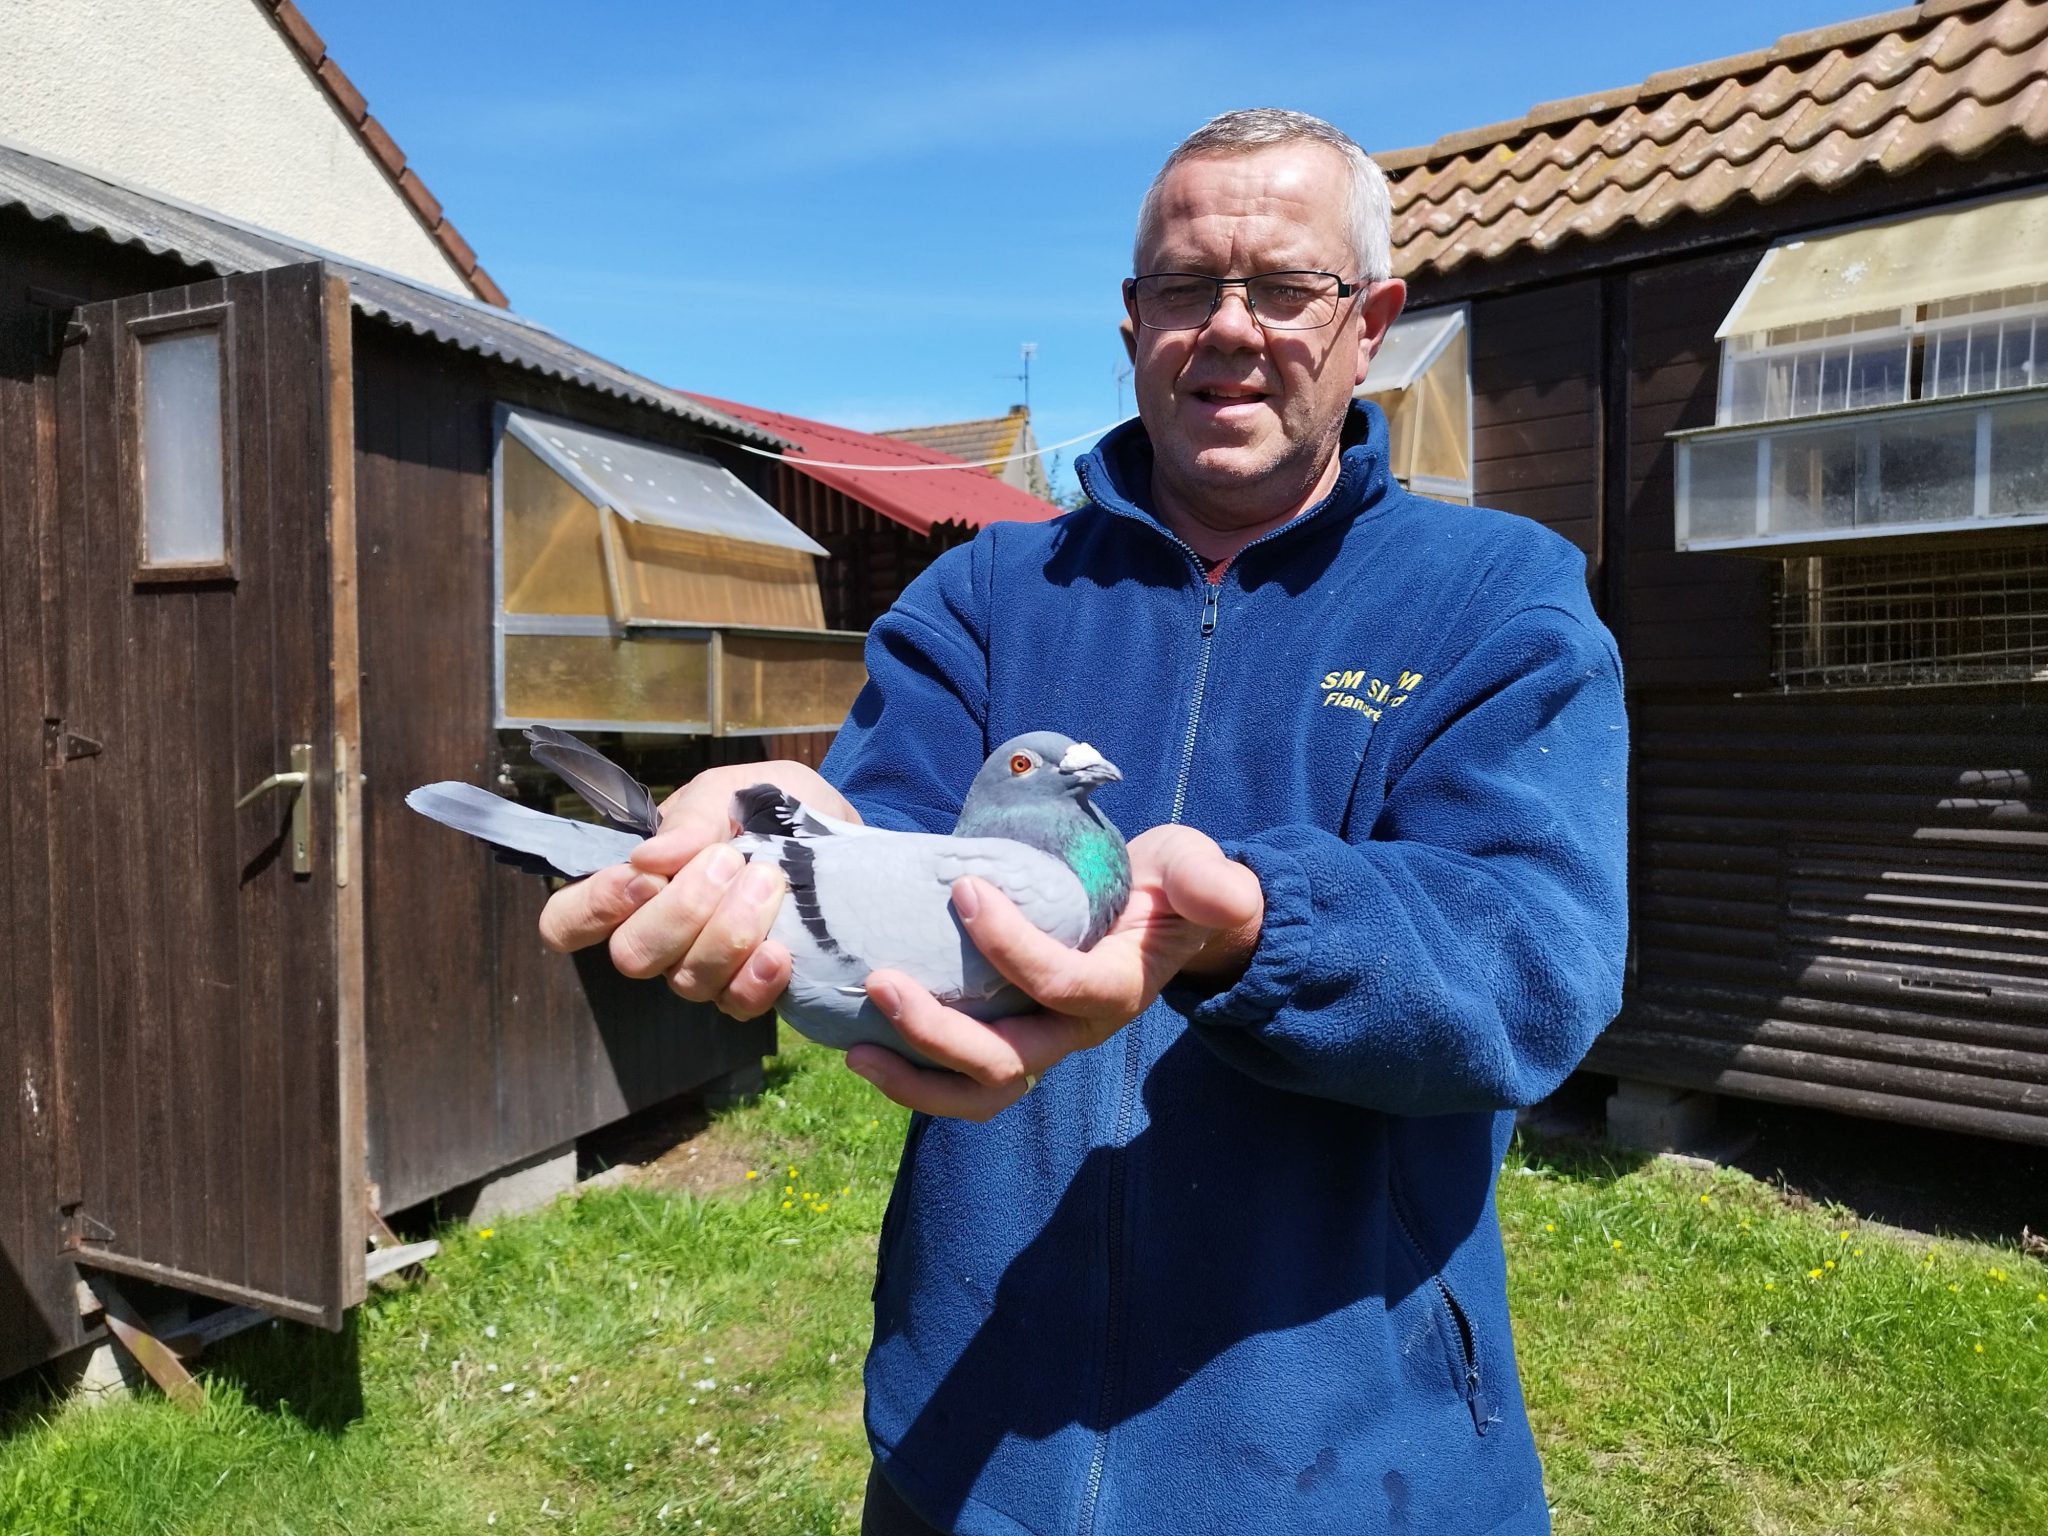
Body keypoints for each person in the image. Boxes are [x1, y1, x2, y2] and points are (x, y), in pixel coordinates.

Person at [540, 109, 1628, 1536]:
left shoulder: (1493, 599)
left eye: (1286, 288)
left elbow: (1532, 964)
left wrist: (1252, 927)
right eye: (1186, 288)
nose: (1231, 329)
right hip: (972, 1454)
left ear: (1372, 323)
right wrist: (765, 816)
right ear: (1131, 326)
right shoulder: (990, 594)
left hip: (1351, 1477)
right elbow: (876, 828)